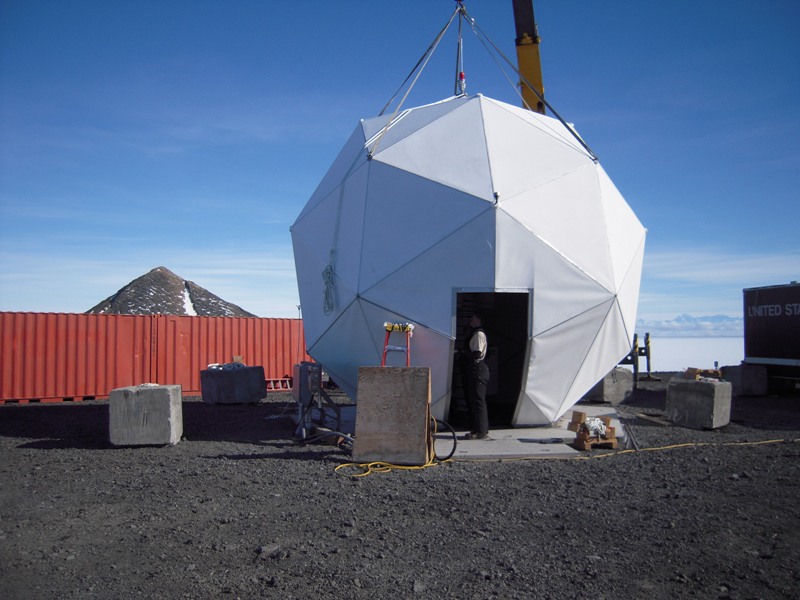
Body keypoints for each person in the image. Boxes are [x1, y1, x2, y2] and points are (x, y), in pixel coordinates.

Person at [460, 313, 490, 440]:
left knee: (478, 401)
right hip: (473, 369)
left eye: (473, 318)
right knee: (472, 400)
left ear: (479, 320)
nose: (470, 320)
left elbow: (477, 353)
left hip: (477, 369)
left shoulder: (478, 334)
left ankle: (481, 431)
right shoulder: (473, 333)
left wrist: (462, 352)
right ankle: (475, 429)